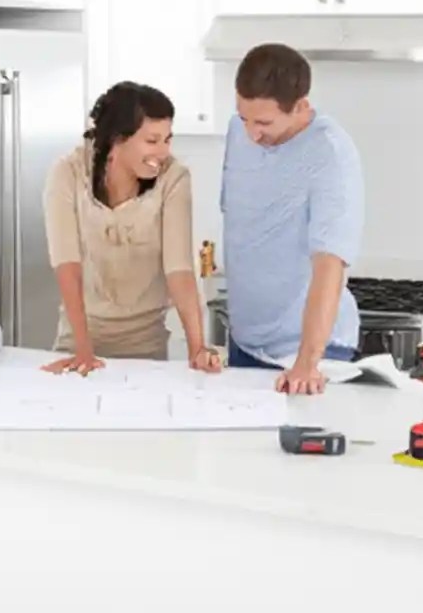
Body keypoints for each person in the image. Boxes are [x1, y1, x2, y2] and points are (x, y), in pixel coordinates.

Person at [40, 81, 222, 376]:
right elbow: (67, 265)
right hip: (78, 339)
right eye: (152, 141)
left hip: (144, 346)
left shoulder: (174, 179)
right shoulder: (68, 173)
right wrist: (84, 350)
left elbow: (179, 270)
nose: (163, 152)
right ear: (117, 138)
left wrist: (197, 348)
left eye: (167, 139)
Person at [220, 43, 364, 395]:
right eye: (244, 117)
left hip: (308, 352)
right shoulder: (239, 132)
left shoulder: (330, 153)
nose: (252, 133)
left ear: (301, 106)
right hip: (245, 343)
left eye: (264, 122)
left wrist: (307, 362)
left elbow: (329, 263)